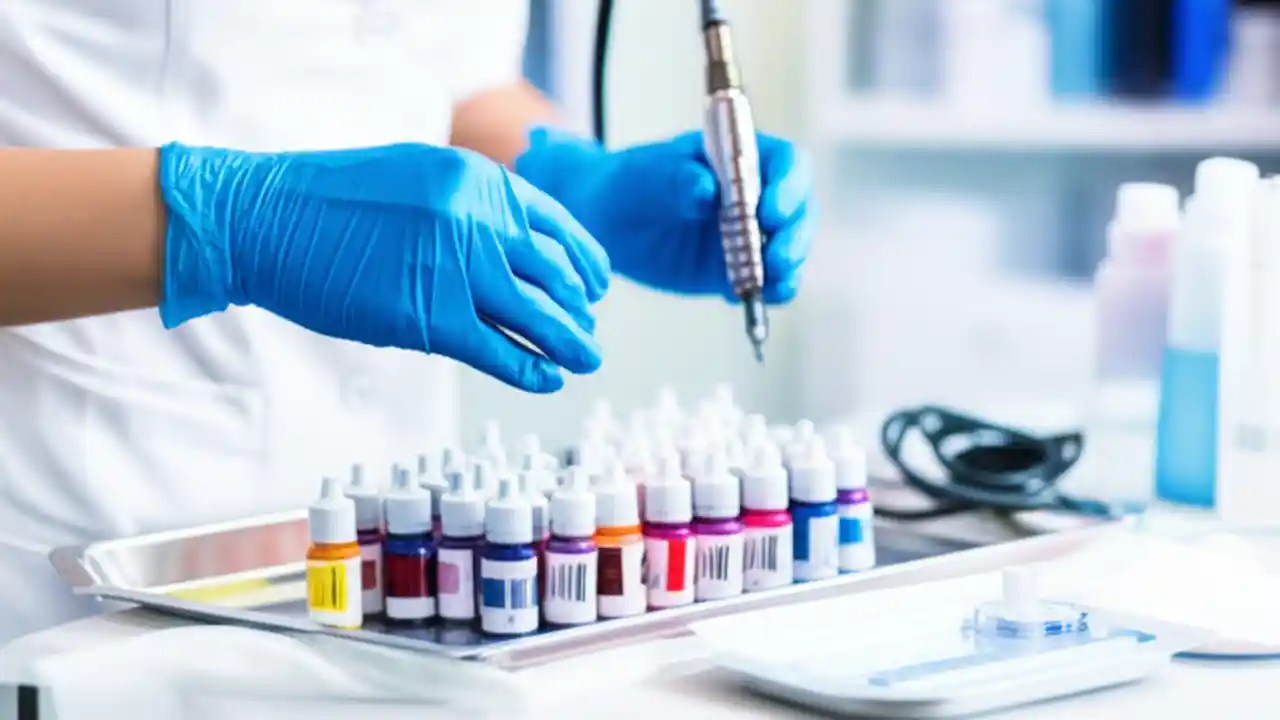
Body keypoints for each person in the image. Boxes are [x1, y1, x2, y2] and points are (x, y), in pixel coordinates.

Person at [0, 2, 813, 644]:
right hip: (78, 543)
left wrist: (565, 178)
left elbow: (430, 74)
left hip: (391, 553)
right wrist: (227, 221)